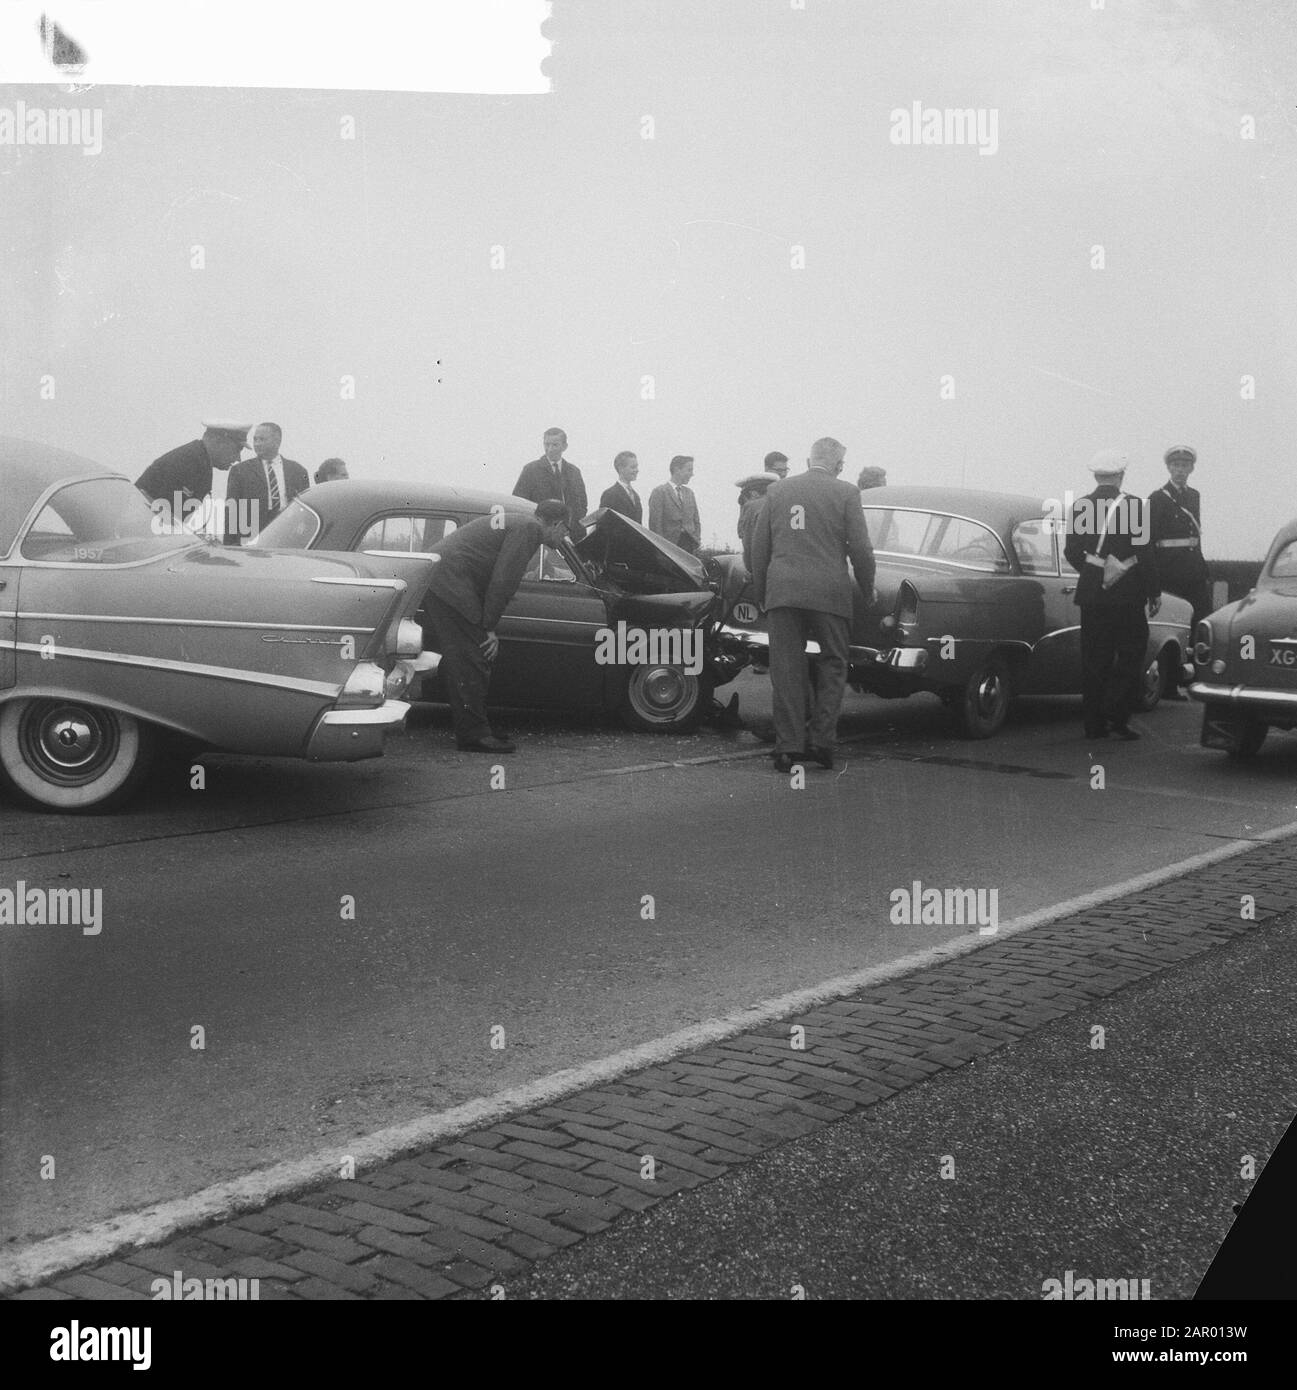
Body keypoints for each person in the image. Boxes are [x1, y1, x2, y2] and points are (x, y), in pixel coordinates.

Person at [750, 437, 876, 771]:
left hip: (783, 592)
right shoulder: (847, 493)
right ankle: (821, 742)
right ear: (839, 465)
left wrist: (762, 592)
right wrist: (868, 587)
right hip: (829, 593)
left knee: (786, 668)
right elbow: (861, 549)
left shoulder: (777, 491)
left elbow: (758, 547)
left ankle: (788, 747)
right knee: (833, 664)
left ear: (808, 461)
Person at [422, 499, 569, 753]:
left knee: (468, 656)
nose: (565, 536)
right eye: (566, 530)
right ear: (556, 524)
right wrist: (489, 627)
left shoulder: (522, 523)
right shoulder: (530, 529)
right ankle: (473, 735)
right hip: (451, 583)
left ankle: (477, 728)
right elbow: (504, 580)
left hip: (446, 580)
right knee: (472, 656)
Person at [1063, 449, 1161, 741]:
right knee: (1132, 653)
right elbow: (1145, 553)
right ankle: (1116, 713)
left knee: (1094, 658)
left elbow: (1071, 551)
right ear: (1120, 476)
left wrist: (1095, 572)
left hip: (1092, 593)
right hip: (1128, 595)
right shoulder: (1134, 508)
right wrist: (1153, 591)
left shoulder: (1080, 506)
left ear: (1096, 476)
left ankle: (1094, 725)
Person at [1148, 446, 1210, 698]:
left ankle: (1195, 678)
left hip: (1193, 570)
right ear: (1169, 468)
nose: (1180, 470)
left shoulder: (1194, 495)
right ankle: (1170, 683)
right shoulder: (1157, 497)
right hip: (1169, 571)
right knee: (1172, 627)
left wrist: (1202, 565)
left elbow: (1195, 536)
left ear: (1191, 469)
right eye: (1176, 466)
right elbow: (1149, 539)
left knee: (1200, 621)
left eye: (1185, 466)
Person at [136, 421, 249, 526]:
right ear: (218, 441)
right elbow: (166, 520)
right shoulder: (188, 462)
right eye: (237, 449)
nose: (238, 458)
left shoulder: (199, 460)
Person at [224, 423, 310, 544]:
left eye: (262, 439)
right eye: (255, 439)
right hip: (252, 536)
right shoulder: (240, 471)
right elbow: (231, 510)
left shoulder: (298, 471)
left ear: (277, 441)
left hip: (287, 533)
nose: (257, 444)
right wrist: (229, 544)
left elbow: (305, 510)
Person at [513, 428, 588, 541]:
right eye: (547, 444)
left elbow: (582, 504)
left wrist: (571, 525)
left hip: (572, 535)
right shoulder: (531, 470)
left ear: (564, 446)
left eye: (555, 445)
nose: (550, 449)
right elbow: (519, 502)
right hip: (542, 536)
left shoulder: (574, 472)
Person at [647, 455, 701, 553]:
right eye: (689, 470)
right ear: (677, 470)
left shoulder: (690, 493)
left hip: (689, 546)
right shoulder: (659, 492)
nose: (692, 474)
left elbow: (696, 520)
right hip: (668, 547)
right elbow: (655, 524)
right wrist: (661, 549)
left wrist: (696, 539)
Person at [736, 471, 780, 572]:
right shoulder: (782, 507)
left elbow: (749, 547)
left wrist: (751, 572)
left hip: (764, 572)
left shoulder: (753, 508)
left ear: (753, 494)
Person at [598, 451, 642, 522]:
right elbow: (603, 525)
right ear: (621, 469)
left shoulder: (636, 496)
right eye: (633, 467)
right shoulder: (609, 495)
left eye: (637, 466)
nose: (637, 470)